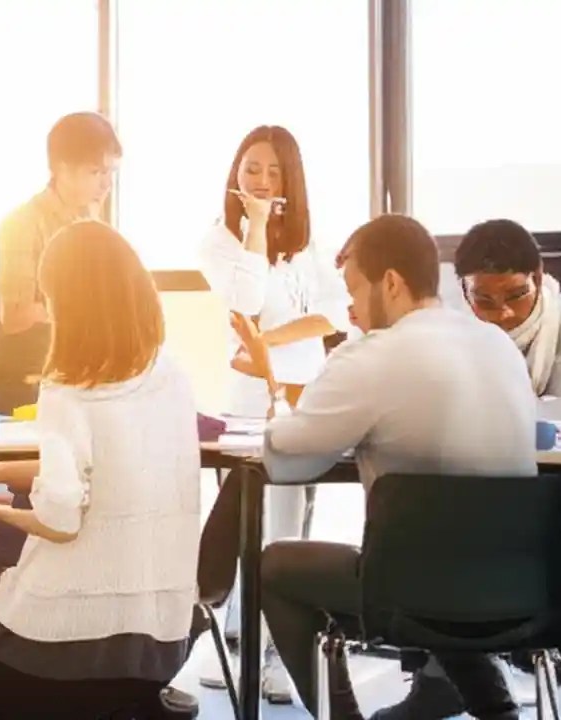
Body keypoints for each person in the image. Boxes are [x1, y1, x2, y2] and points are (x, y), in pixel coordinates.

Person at [238, 214, 534, 720]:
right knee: (443, 561)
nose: (348, 306)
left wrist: (278, 401)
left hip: (418, 587)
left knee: (275, 568)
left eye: (353, 288)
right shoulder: (497, 344)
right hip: (521, 582)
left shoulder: (371, 356)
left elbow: (286, 459)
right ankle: (495, 708)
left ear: (391, 283)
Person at [0, 221, 199, 719]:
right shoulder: (171, 375)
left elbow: (59, 523)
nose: (45, 311)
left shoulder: (68, 387)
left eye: (49, 298)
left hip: (62, 650)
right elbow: (105, 473)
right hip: (159, 648)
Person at [197, 125, 351, 703]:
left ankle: (281, 652)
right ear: (235, 172)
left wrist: (269, 340)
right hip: (248, 401)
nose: (260, 180)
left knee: (290, 529)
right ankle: (247, 648)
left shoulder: (310, 240)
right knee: (251, 524)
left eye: (274, 171)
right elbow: (245, 302)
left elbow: (337, 314)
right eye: (251, 167)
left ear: (291, 178)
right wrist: (257, 226)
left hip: (305, 392)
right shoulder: (218, 241)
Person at [0, 111, 122, 576]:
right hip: (21, 381)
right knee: (37, 498)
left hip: (75, 382)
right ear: (60, 168)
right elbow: (16, 314)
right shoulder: (22, 224)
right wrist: (80, 306)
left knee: (76, 496)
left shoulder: (95, 224)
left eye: (111, 173)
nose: (105, 184)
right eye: (96, 172)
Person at [455, 218, 561, 424]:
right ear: (464, 291)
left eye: (515, 296)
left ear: (538, 278)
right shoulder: (452, 336)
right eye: (485, 300)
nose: (504, 313)